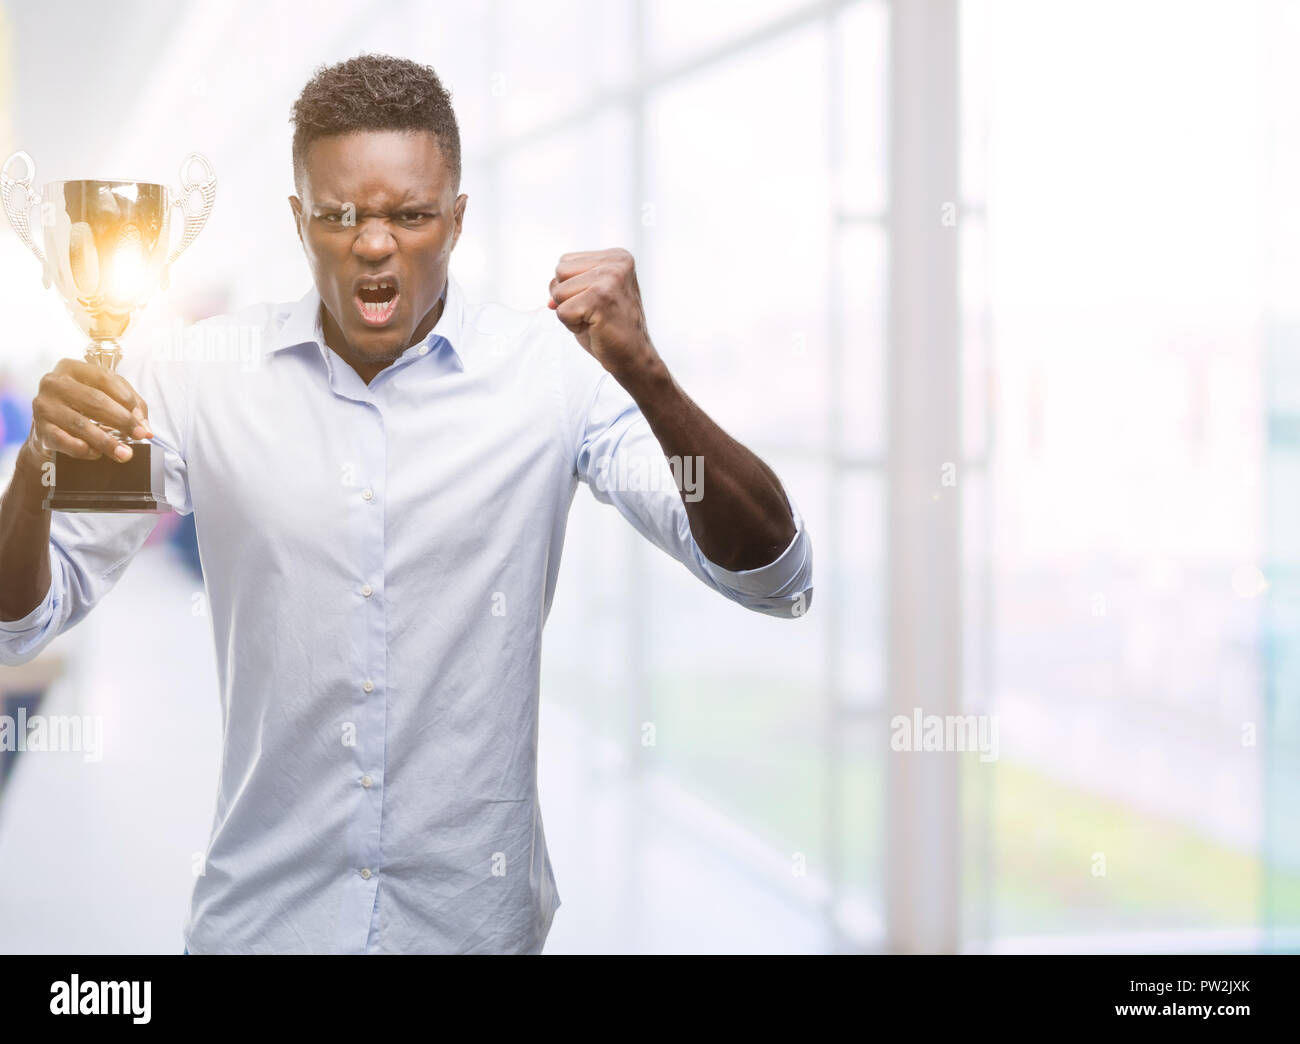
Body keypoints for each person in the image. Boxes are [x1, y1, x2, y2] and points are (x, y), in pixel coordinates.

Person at [0, 54, 813, 954]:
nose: (374, 243)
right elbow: (20, 622)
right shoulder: (195, 375)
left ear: (457, 222)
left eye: (410, 215)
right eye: (342, 216)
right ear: (300, 221)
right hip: (263, 931)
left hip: (471, 933)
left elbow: (775, 576)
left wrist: (648, 375)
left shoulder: (551, 376)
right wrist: (39, 465)